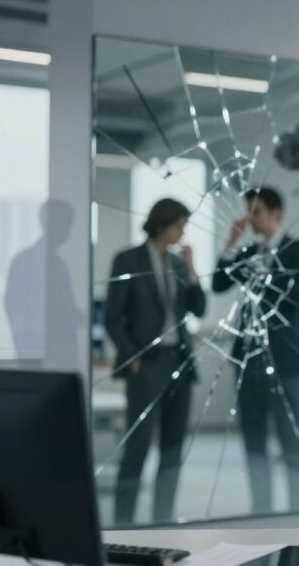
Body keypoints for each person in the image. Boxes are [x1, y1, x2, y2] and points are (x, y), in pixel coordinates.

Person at [212, 186, 299, 513]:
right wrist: (231, 244)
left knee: (291, 438)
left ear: (275, 213)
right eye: (248, 211)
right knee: (253, 438)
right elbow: (218, 284)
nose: (250, 218)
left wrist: (269, 276)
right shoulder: (247, 252)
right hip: (247, 357)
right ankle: (261, 508)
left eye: (255, 212)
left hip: (286, 357)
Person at [104, 198, 206, 524]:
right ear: (162, 224)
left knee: (172, 448)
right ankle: (123, 522)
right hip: (146, 365)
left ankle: (164, 519)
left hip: (179, 362)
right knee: (138, 447)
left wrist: (192, 271)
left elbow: (199, 308)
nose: (182, 232)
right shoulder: (128, 259)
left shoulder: (178, 264)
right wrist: (132, 356)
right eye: (179, 225)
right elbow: (112, 317)